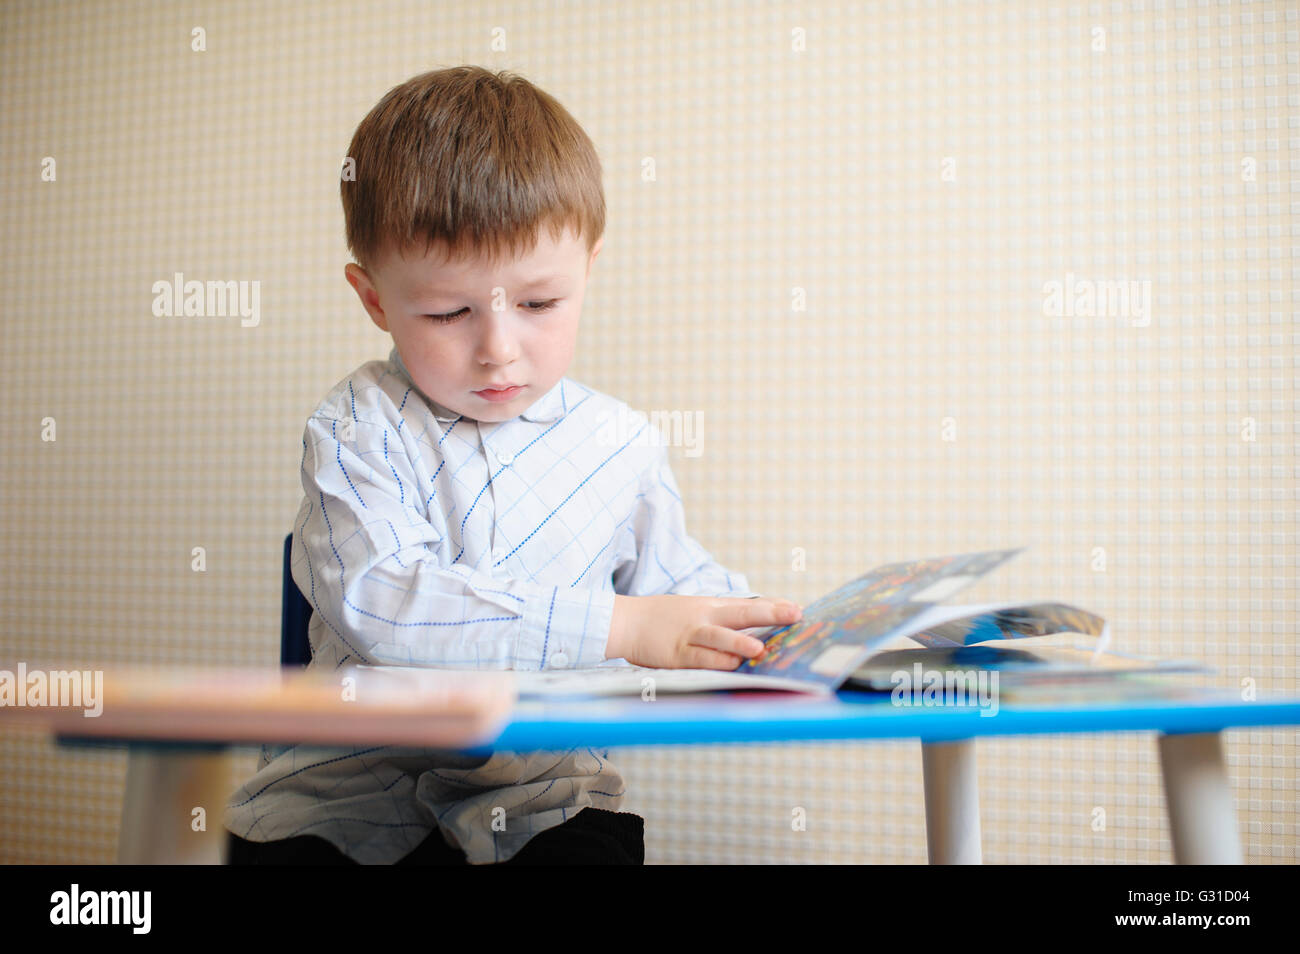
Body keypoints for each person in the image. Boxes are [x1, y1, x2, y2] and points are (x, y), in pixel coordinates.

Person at [224, 65, 801, 866]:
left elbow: (684, 595)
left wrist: (802, 637)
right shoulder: (354, 426)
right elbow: (382, 600)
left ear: (588, 270)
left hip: (545, 804)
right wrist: (621, 626)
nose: (498, 347)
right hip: (340, 808)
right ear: (374, 300)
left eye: (537, 304)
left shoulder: (620, 442)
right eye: (447, 311)